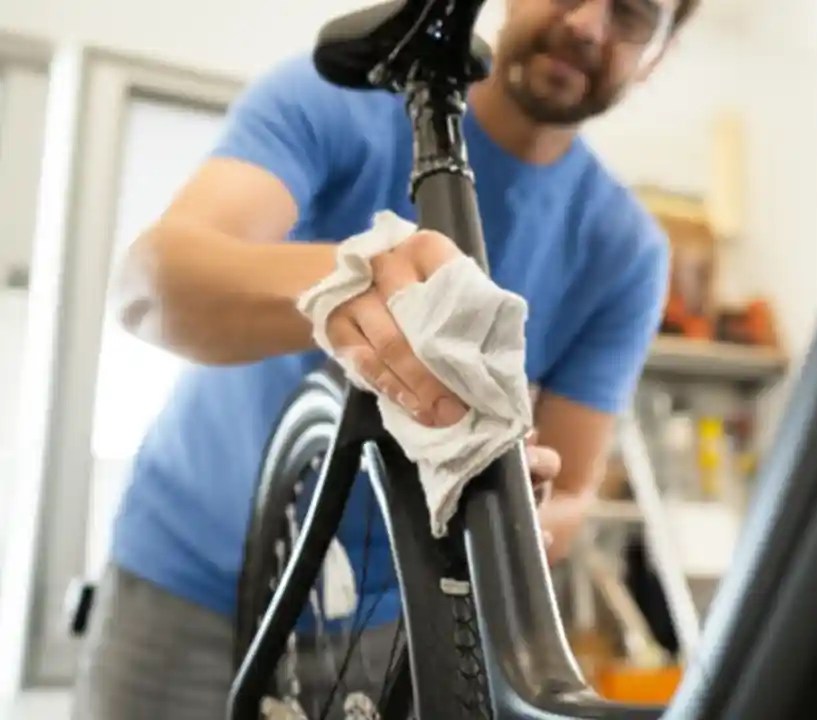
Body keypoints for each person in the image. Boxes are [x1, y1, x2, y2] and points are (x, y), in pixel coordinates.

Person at [72, 0, 700, 716]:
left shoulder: (624, 251)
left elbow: (576, 492)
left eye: (632, 13)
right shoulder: (334, 103)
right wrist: (351, 285)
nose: (588, 24)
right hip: (184, 580)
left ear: (658, 53)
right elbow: (151, 288)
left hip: (382, 625)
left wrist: (509, 509)